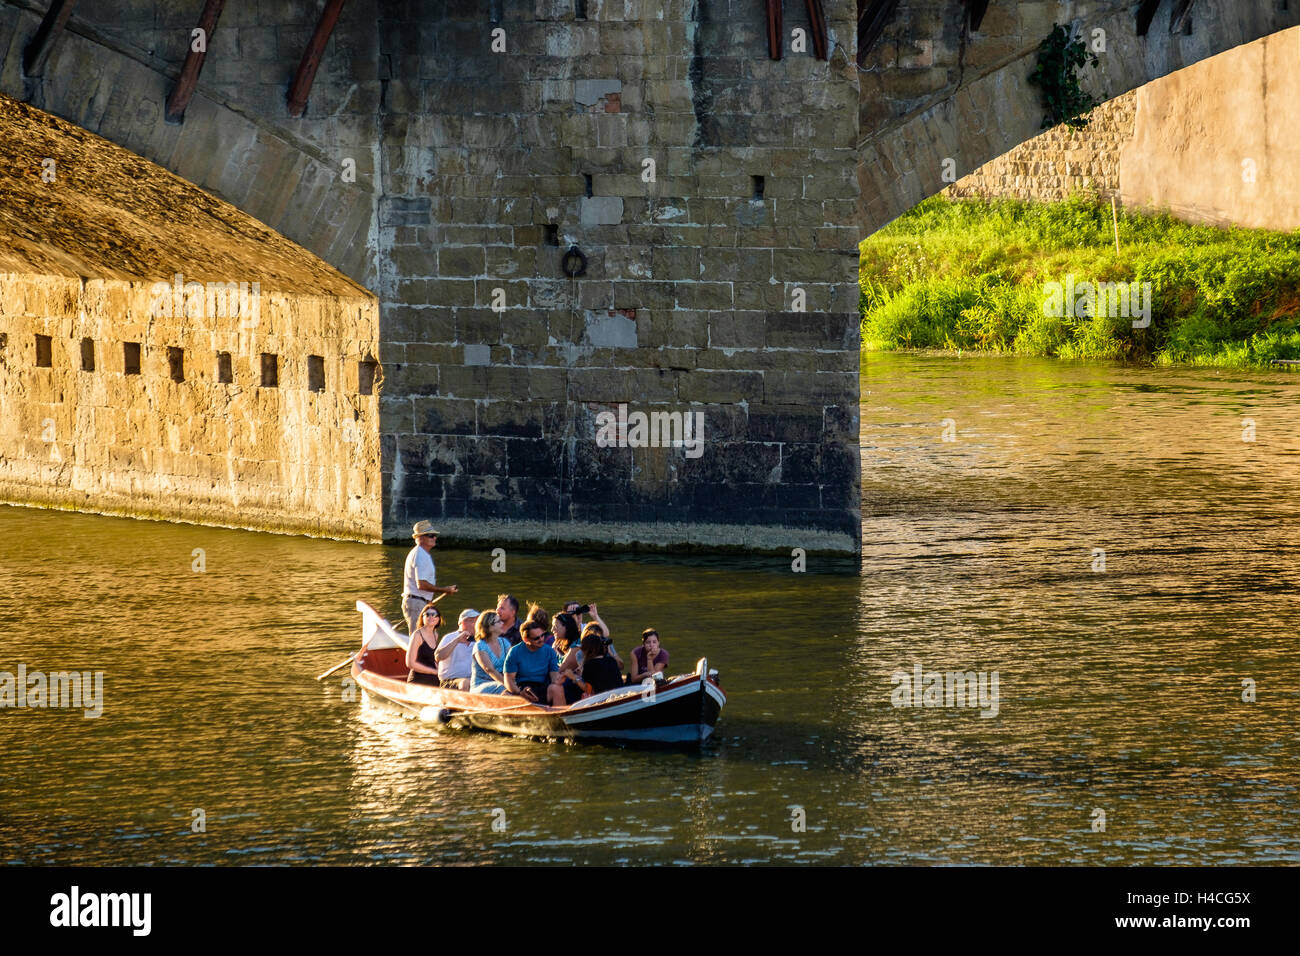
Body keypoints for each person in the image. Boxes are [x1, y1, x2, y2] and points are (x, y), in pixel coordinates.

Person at [402, 521, 458, 634]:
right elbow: (421, 584)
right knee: (419, 640)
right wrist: (444, 590)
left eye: (435, 535)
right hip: (416, 603)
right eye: (431, 535)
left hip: (419, 602)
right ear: (420, 538)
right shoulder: (420, 555)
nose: (434, 538)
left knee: (428, 637)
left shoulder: (421, 554)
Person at [502, 618, 565, 706]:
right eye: (536, 638)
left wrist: (560, 679)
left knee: (557, 688)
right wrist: (519, 692)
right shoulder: (515, 652)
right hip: (523, 687)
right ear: (525, 639)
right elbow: (509, 680)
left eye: (542, 635)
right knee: (505, 695)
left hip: (542, 686)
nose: (541, 639)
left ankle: (561, 716)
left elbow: (554, 676)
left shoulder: (549, 651)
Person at [434, 608, 478, 690]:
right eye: (471, 621)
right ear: (461, 622)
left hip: (473, 679)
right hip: (450, 681)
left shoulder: (478, 640)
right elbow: (438, 657)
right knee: (466, 683)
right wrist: (457, 640)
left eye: (477, 621)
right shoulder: (450, 637)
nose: (475, 624)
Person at [469, 611, 509, 695]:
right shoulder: (480, 646)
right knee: (504, 688)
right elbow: (490, 670)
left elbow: (512, 664)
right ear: (489, 627)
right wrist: (509, 685)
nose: (502, 623)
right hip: (481, 686)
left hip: (502, 682)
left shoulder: (505, 643)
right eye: (498, 621)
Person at [405, 602, 443, 685]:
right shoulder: (417, 635)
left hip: (434, 679)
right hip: (418, 680)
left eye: (434, 614)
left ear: (439, 618)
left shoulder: (435, 634)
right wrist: (434, 672)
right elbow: (410, 663)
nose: (431, 617)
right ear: (422, 618)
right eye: (427, 614)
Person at [580, 623, 624, 694]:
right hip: (620, 693)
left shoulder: (588, 665)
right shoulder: (611, 660)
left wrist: (574, 678)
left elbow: (588, 690)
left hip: (604, 698)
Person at [552, 612, 586, 703]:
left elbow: (561, 669)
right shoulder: (559, 643)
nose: (552, 630)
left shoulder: (577, 646)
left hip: (578, 686)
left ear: (566, 627)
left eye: (555, 626)